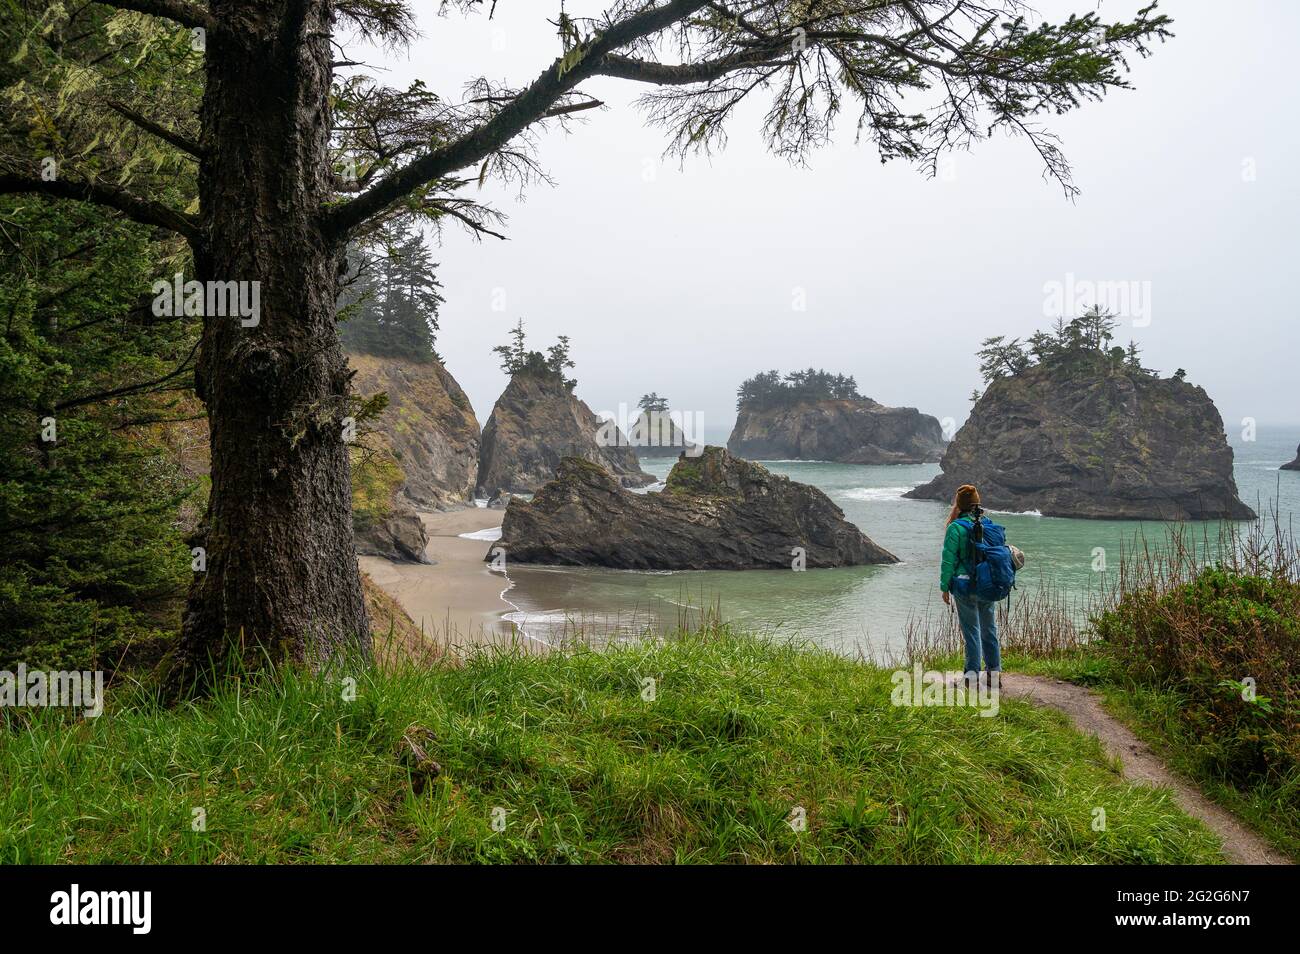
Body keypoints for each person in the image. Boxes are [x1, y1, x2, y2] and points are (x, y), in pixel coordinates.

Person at [939, 484, 1001, 688]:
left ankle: (972, 677)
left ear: (959, 504)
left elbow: (948, 560)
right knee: (989, 629)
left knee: (971, 632)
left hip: (964, 586)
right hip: (987, 584)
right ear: (977, 503)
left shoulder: (955, 527)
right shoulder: (988, 523)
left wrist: (945, 587)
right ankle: (994, 675)